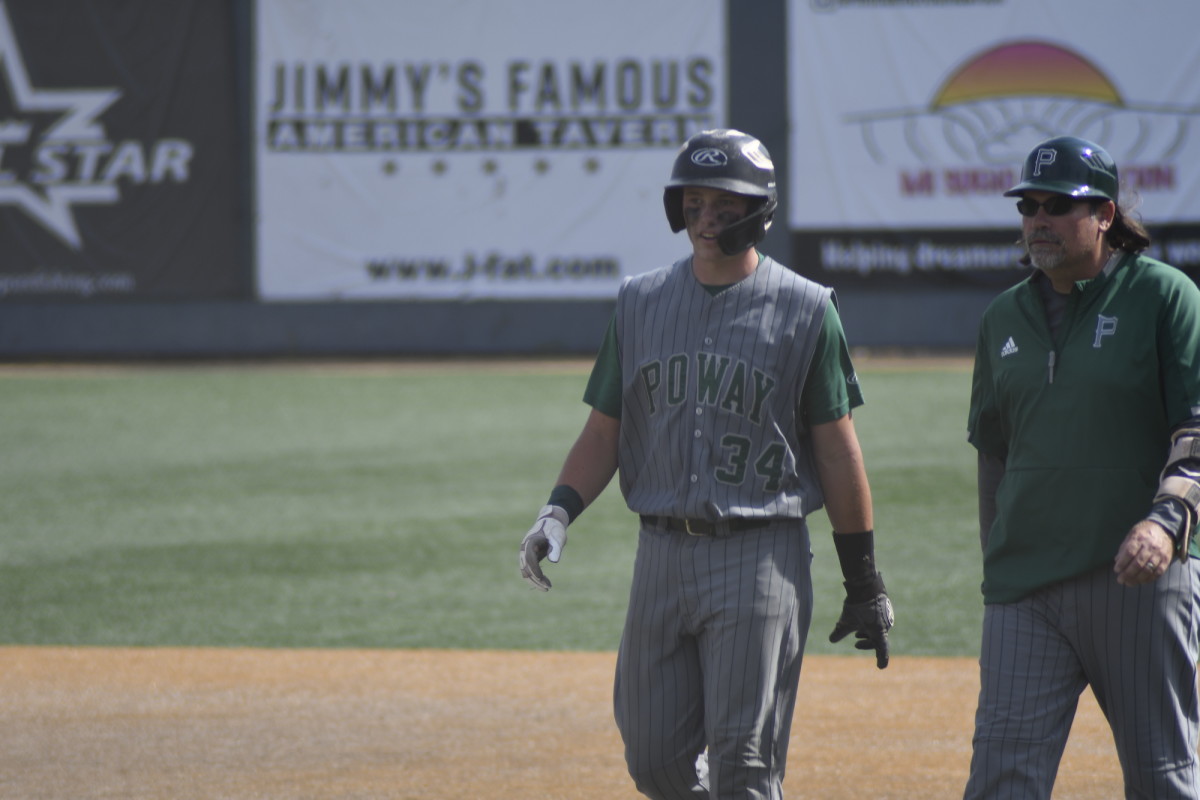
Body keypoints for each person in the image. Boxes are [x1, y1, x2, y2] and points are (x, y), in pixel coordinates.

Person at [517, 128, 894, 800]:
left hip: (760, 555)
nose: (706, 218)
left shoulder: (807, 310)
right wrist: (557, 510)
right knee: (654, 761)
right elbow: (604, 430)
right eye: (694, 203)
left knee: (743, 769)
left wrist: (862, 579)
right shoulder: (640, 302)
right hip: (661, 556)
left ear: (759, 211)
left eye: (724, 204)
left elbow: (838, 451)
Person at [963, 135, 1200, 799]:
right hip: (1025, 590)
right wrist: (997, 562)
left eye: (1057, 205)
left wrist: (1166, 522)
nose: (1038, 219)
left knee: (1161, 780)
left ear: (1104, 214)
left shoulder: (1164, 297)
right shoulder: (1001, 318)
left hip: (1138, 583)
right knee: (1001, 783)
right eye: (1028, 206)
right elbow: (994, 453)